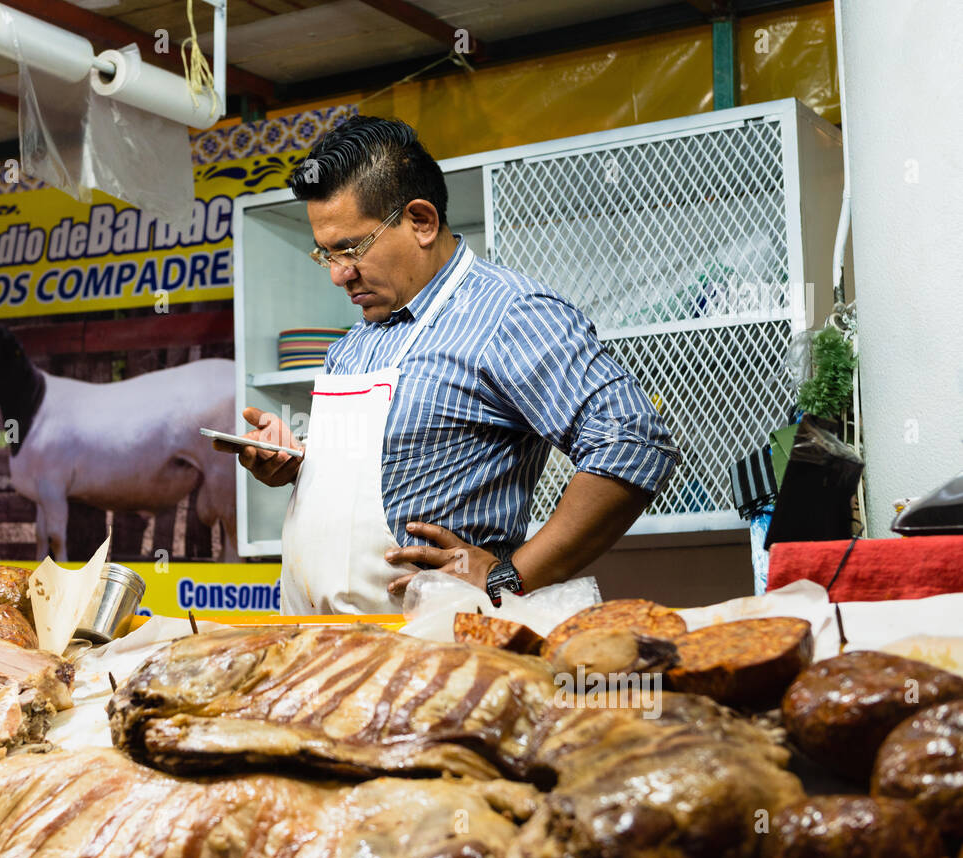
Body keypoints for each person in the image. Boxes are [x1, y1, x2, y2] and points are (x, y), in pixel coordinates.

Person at [214, 116, 680, 614]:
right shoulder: (352, 344)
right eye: (325, 253)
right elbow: (384, 476)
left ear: (421, 221)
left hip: (437, 652)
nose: (338, 275)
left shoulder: (508, 314)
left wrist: (510, 578)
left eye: (351, 249)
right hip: (318, 646)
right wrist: (296, 468)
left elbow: (632, 439)